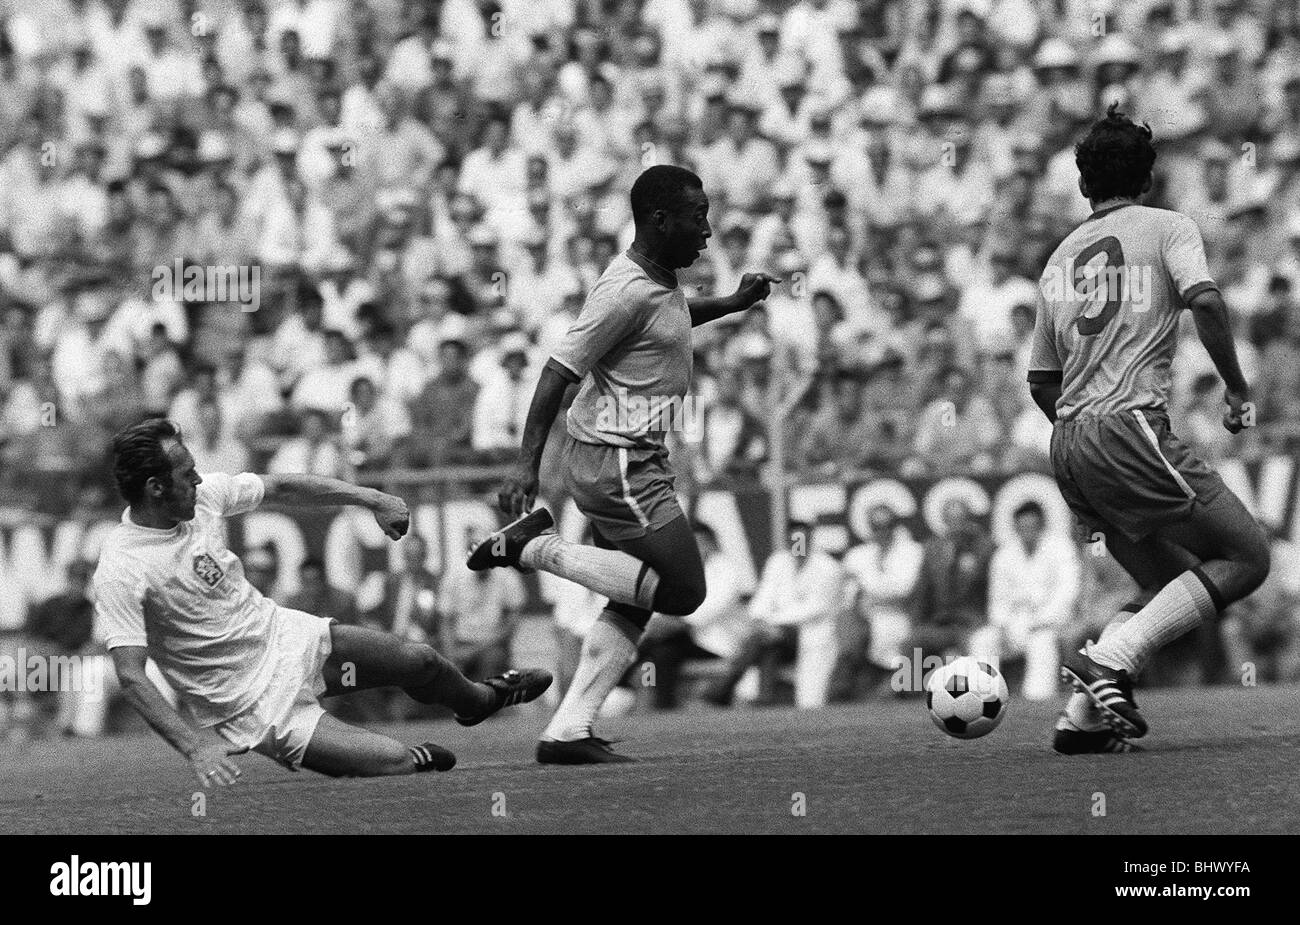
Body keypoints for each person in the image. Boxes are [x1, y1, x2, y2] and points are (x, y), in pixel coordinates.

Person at [467, 164, 778, 763]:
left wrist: (734, 303)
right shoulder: (624, 290)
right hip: (617, 461)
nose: (707, 231)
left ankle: (568, 730)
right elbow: (559, 369)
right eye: (697, 217)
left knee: (635, 598)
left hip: (636, 458)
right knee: (685, 590)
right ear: (659, 221)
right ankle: (532, 550)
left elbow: (667, 322)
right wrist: (525, 467)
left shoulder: (656, 283)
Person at [93, 418, 552, 786]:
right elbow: (132, 676)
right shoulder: (123, 567)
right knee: (397, 765)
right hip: (249, 704)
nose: (198, 478)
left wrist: (370, 497)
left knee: (421, 662)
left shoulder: (204, 498)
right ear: (155, 488)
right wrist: (195, 746)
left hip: (287, 637)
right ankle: (399, 757)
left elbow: (285, 488)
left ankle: (477, 699)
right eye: (186, 473)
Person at [1028, 106, 1271, 754]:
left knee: (1166, 585)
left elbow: (1040, 382)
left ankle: (1081, 716)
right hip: (1128, 425)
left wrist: (1086, 447)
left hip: (1069, 441)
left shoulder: (1058, 260)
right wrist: (1238, 389)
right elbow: (1208, 301)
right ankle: (1110, 662)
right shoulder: (1167, 226)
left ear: (1084, 184)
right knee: (1247, 556)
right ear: (1150, 178)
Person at [636, 522, 747, 710]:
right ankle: (656, 703)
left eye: (700, 543)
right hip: (680, 642)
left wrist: (663, 624)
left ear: (713, 544)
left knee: (657, 649)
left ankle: (660, 706)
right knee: (659, 652)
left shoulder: (728, 570)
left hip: (715, 644)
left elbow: (706, 611)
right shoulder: (681, 570)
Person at [980, 500, 1080, 701]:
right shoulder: (1004, 554)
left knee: (1041, 643)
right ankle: (981, 698)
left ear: (1042, 525)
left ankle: (1036, 700)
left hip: (1051, 623)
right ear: (1015, 527)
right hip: (1013, 624)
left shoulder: (1062, 547)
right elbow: (997, 598)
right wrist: (1002, 625)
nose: (1027, 531)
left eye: (1032, 526)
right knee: (982, 641)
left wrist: (1041, 621)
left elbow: (1067, 592)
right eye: (1022, 527)